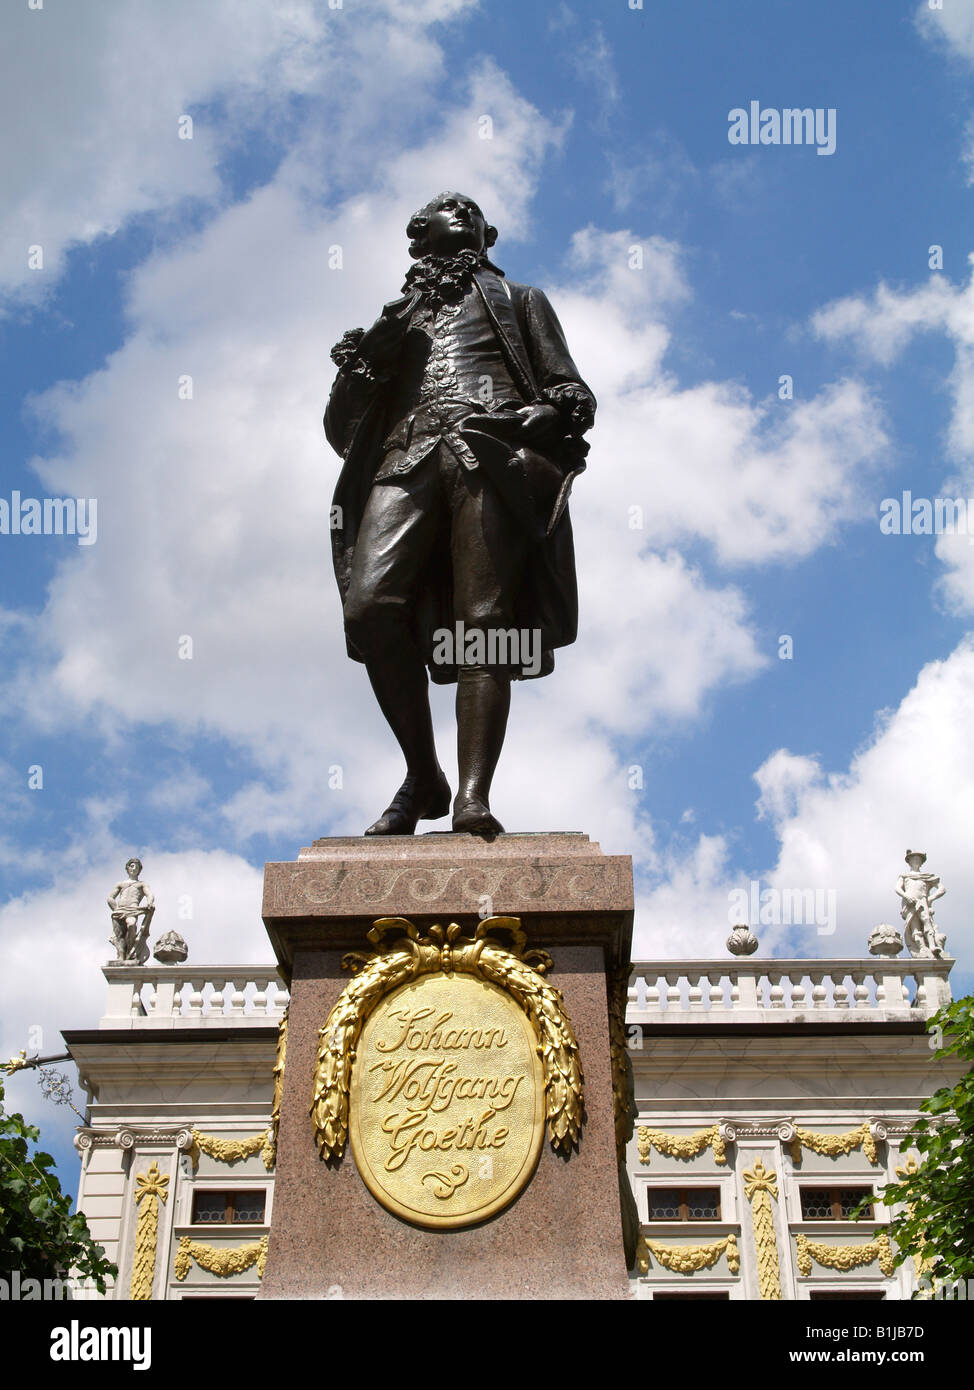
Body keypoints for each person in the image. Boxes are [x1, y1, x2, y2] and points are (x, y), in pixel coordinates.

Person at [325, 192, 595, 836]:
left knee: (485, 624)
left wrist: (549, 414)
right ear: (420, 233)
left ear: (485, 233)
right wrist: (365, 363)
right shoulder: (392, 323)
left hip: (489, 453)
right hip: (405, 457)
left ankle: (471, 795)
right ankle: (423, 773)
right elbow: (341, 427)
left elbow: (572, 390)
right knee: (369, 609)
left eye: (469, 209)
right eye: (448, 207)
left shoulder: (522, 301)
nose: (461, 214)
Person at [107, 858, 154, 964]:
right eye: (132, 866)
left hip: (133, 909)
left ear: (139, 870)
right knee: (119, 934)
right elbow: (110, 898)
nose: (134, 868)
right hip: (119, 910)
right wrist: (116, 909)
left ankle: (131, 950)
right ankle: (121, 954)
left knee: (131, 925)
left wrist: (150, 902)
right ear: (127, 868)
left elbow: (149, 894)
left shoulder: (141, 884)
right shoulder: (121, 884)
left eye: (137, 867)